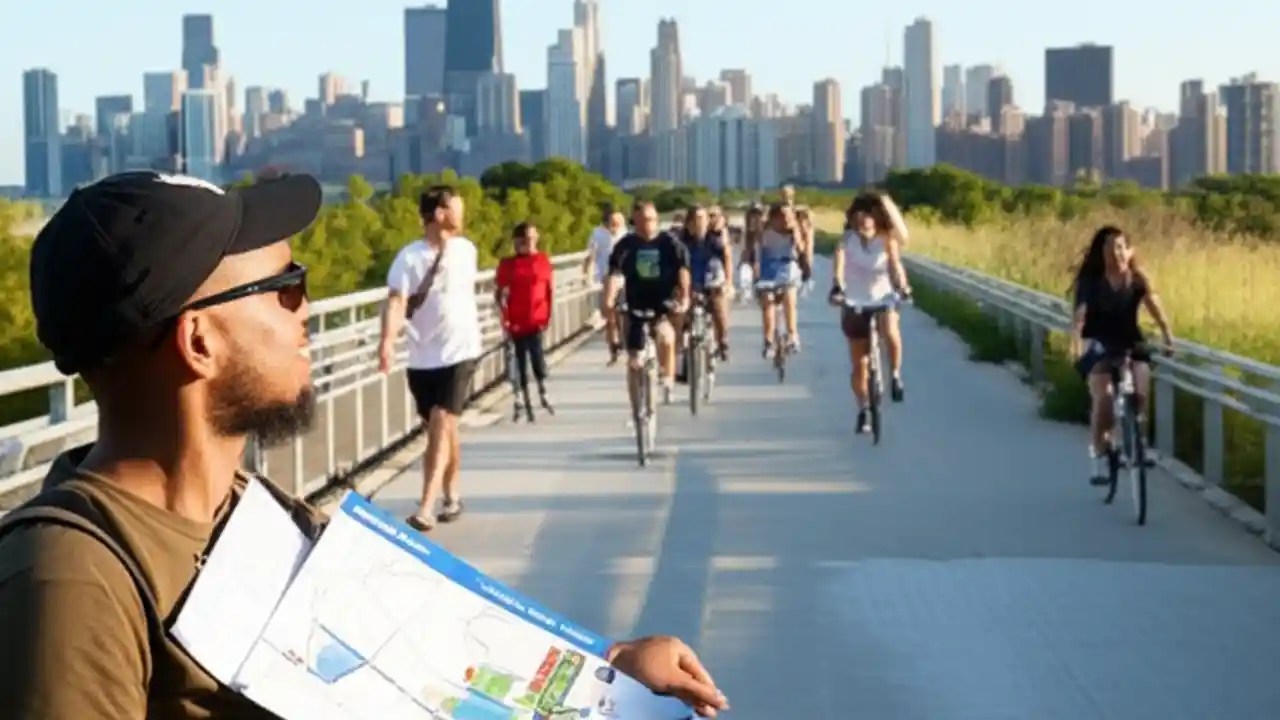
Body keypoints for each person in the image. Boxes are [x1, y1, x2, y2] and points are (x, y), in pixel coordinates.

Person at [0, 170, 730, 719]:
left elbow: (425, 665)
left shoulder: (257, 513)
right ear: (198, 340)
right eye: (285, 286)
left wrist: (608, 670)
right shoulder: (71, 580)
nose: (305, 310)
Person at [379, 185, 483, 533]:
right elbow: (396, 301)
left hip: (461, 352)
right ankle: (453, 493)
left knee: (441, 421)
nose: (462, 214)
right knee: (443, 429)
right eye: (456, 208)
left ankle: (426, 506)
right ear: (439, 213)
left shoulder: (467, 250)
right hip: (422, 358)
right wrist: (387, 343)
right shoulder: (409, 258)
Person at [1068, 225, 1174, 485]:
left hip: (1131, 341)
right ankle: (1100, 456)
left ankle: (1139, 445)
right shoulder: (1091, 282)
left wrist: (1167, 335)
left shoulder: (1137, 279)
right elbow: (1080, 314)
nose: (1115, 253)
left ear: (1130, 251)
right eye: (1109, 247)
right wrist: (1075, 341)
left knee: (1140, 392)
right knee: (1103, 401)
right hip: (1100, 343)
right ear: (1100, 252)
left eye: (1120, 247)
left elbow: (1154, 306)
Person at [830, 191, 913, 434]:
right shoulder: (846, 241)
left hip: (883, 297)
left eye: (869, 215)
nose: (864, 220)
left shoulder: (887, 239)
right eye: (860, 214)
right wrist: (837, 286)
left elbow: (895, 266)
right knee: (859, 364)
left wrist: (903, 286)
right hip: (855, 300)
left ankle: (895, 374)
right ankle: (863, 409)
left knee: (890, 330)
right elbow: (839, 265)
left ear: (877, 217)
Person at [604, 200, 691, 405]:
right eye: (642, 220)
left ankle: (667, 380)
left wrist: (685, 297)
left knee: (666, 337)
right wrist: (608, 300)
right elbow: (615, 274)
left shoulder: (670, 243)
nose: (647, 224)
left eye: (651, 220)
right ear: (634, 221)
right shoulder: (625, 245)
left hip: (662, 302)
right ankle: (636, 403)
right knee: (634, 357)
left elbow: (683, 271)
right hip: (635, 303)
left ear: (657, 220)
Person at [496, 222, 555, 417]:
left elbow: (549, 290)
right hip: (516, 319)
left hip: (537, 318)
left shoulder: (543, 261)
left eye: (532, 238)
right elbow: (500, 294)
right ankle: (519, 395)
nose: (529, 243)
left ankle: (542, 389)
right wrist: (503, 318)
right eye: (525, 240)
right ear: (517, 242)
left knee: (537, 355)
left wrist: (548, 314)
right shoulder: (508, 265)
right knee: (518, 358)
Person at [677, 204, 732, 367]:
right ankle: (680, 353)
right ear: (688, 223)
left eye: (701, 219)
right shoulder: (681, 242)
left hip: (710, 282)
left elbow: (726, 257)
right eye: (693, 220)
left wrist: (728, 282)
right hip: (689, 284)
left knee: (718, 304)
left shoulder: (714, 240)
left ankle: (723, 341)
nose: (698, 223)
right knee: (679, 312)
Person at [754, 202, 803, 355]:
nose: (785, 220)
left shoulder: (794, 231)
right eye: (781, 216)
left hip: (788, 266)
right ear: (773, 218)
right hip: (768, 268)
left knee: (789, 297)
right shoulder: (766, 231)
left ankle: (792, 335)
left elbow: (801, 249)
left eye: (789, 216)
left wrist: (795, 233)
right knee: (768, 300)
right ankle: (768, 341)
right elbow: (755, 242)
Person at [583, 205, 627, 362]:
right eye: (614, 223)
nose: (616, 226)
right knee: (610, 314)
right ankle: (613, 346)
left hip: (624, 278)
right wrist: (586, 275)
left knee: (622, 312)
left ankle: (621, 339)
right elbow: (591, 255)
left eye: (619, 222)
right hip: (605, 277)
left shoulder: (625, 234)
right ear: (607, 222)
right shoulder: (597, 234)